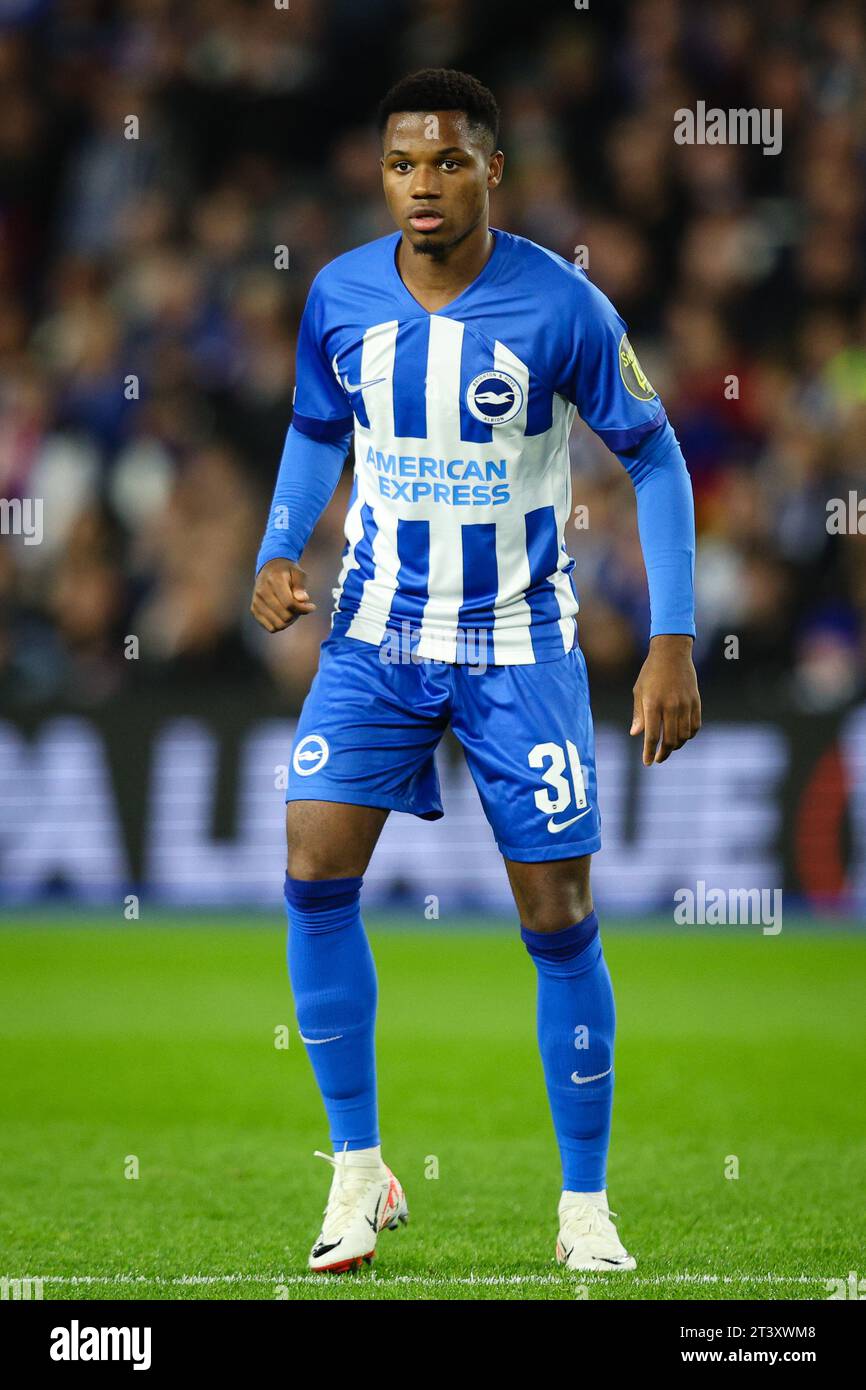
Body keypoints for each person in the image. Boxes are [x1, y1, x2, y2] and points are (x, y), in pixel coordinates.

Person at [251, 67, 701, 1275]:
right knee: (311, 862)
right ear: (379, 173)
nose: (421, 185)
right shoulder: (340, 295)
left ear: (490, 168)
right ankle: (357, 1173)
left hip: (519, 648)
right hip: (376, 637)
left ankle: (583, 1205)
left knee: (556, 918)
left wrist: (671, 637)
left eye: (446, 162)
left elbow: (655, 462)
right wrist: (279, 546)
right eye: (401, 164)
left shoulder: (560, 308)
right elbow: (312, 427)